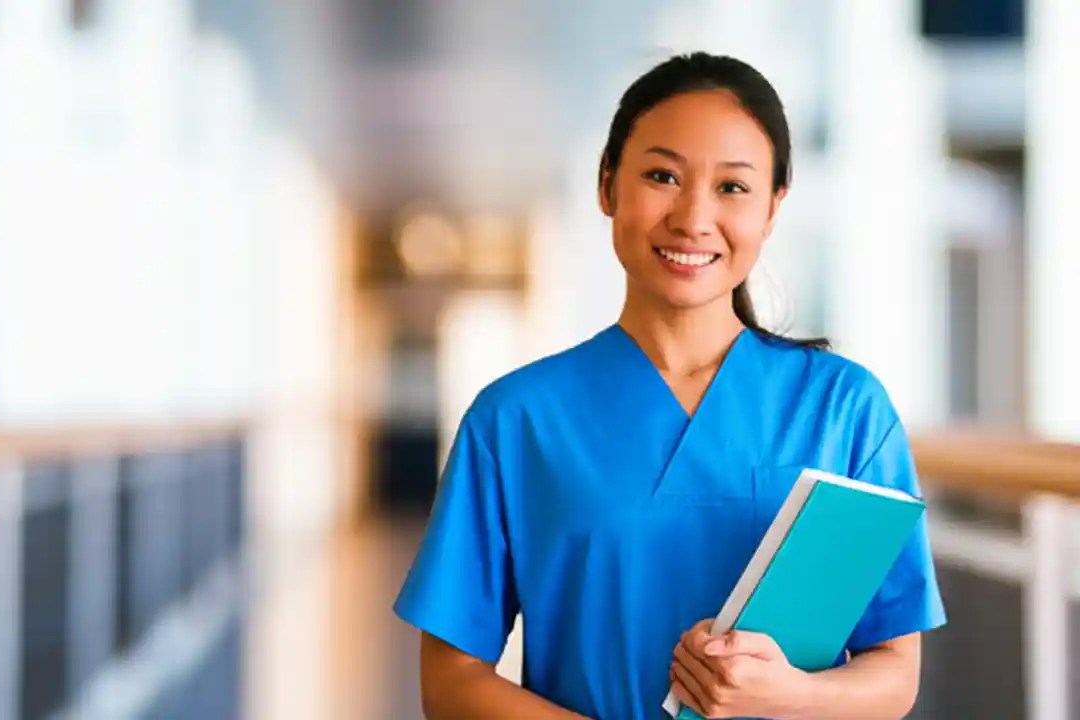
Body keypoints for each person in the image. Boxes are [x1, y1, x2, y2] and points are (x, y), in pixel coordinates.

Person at [392, 51, 947, 720]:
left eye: (733, 188)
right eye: (662, 176)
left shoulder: (845, 410)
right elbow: (450, 682)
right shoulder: (515, 420)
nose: (692, 217)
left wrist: (786, 693)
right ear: (607, 187)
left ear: (772, 210)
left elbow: (894, 674)